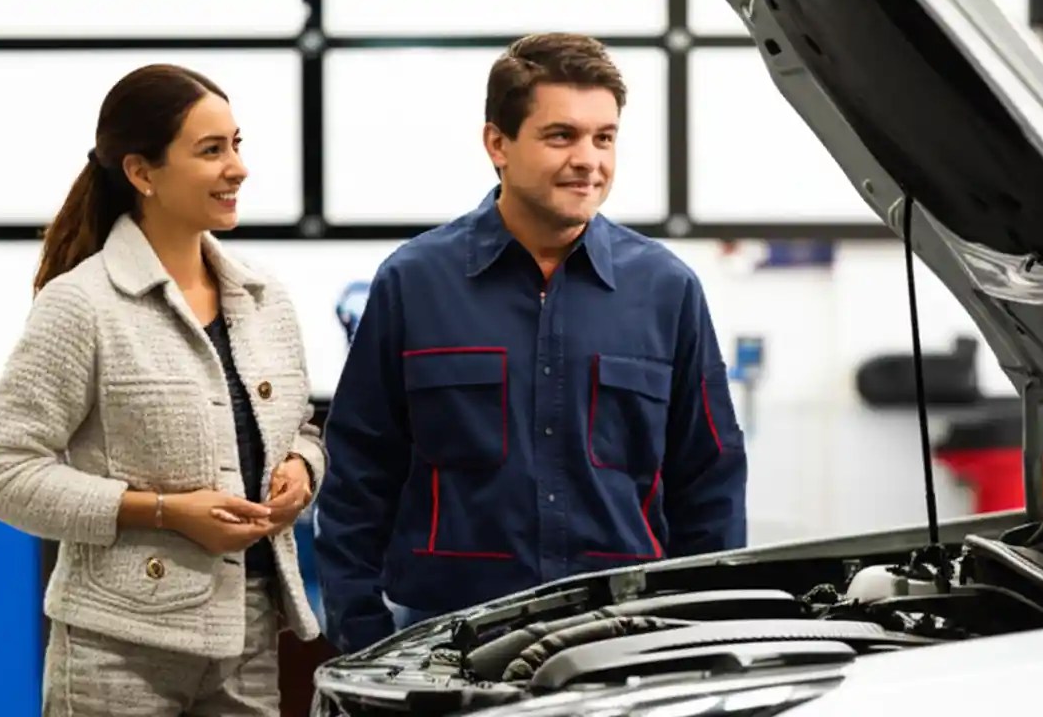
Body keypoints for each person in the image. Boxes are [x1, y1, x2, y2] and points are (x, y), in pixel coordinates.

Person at [314, 32, 748, 654]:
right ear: (498, 144)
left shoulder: (666, 290)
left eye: (604, 137)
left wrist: (706, 639)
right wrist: (361, 641)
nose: (588, 160)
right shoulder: (413, 282)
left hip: (624, 643)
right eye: (560, 135)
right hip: (444, 646)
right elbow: (357, 476)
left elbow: (710, 482)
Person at [0, 63, 326, 716]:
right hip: (117, 651)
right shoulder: (79, 306)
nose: (238, 168)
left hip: (249, 640)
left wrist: (303, 466)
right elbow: (1, 474)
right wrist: (163, 510)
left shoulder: (265, 298)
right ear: (142, 173)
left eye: (237, 144)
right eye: (211, 150)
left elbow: (298, 428)